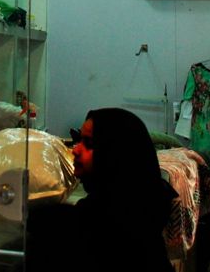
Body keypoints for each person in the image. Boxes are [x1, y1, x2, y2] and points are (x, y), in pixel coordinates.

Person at [26, 107, 176, 269]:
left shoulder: (110, 233)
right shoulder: (142, 216)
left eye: (88, 144)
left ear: (114, 155)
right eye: (79, 140)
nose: (76, 150)